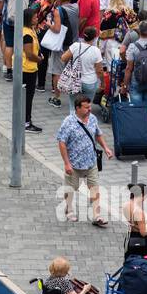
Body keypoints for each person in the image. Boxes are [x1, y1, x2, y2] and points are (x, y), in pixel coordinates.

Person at [57, 95, 114, 226]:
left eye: (90, 107)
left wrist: (106, 148)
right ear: (77, 108)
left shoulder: (93, 119)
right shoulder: (68, 122)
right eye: (86, 107)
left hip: (91, 161)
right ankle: (68, 208)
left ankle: (96, 215)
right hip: (74, 163)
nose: (89, 109)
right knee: (71, 188)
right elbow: (61, 142)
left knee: (94, 188)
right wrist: (66, 163)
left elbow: (98, 134)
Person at [121, 20, 147, 116]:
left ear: (139, 32)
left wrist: (124, 86)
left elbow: (129, 69)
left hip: (136, 82)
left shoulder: (133, 47)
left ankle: (138, 127)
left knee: (136, 110)